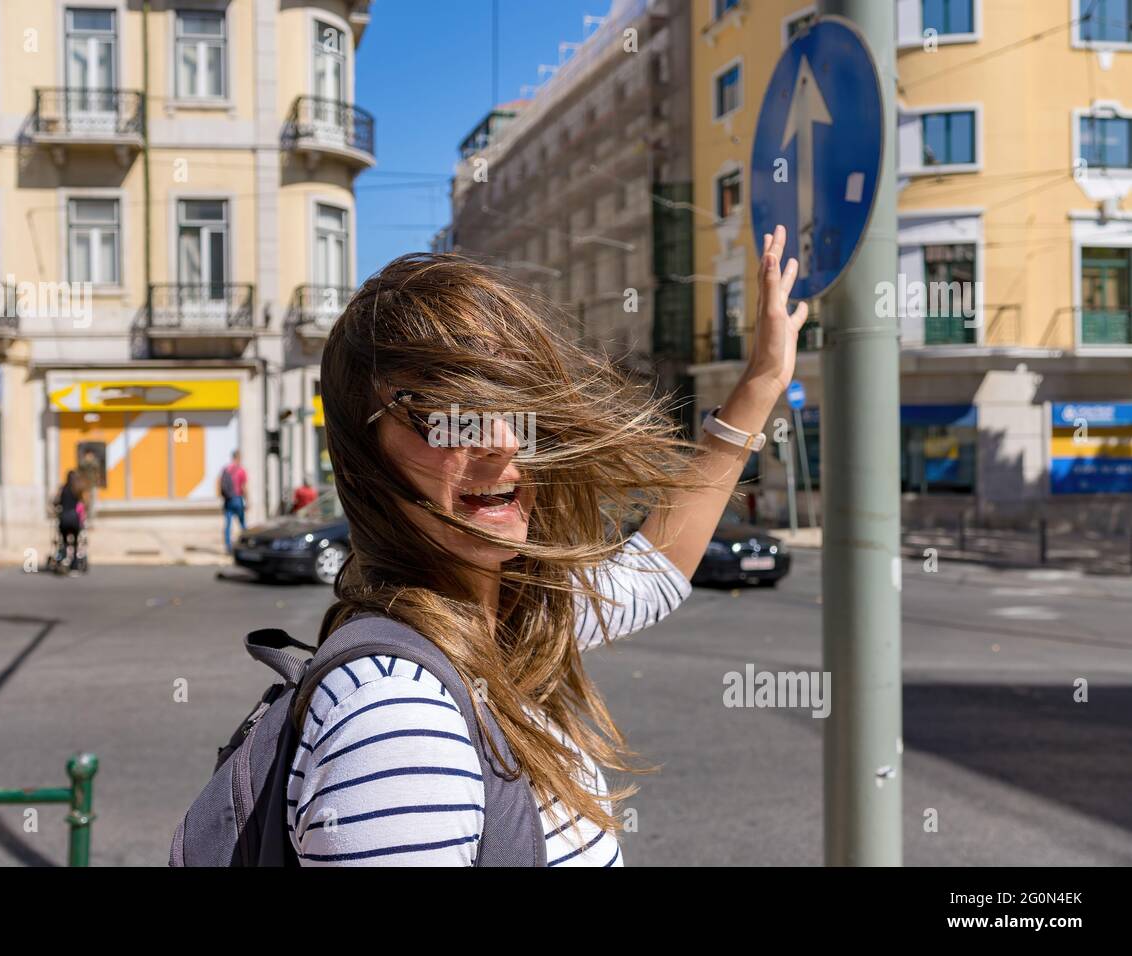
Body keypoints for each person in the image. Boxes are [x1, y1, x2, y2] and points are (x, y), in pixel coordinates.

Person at [284, 226, 806, 866]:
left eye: (514, 403)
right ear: (367, 456)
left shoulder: (505, 629)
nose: (502, 439)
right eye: (443, 409)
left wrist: (761, 382)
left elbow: (652, 574)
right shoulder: (395, 716)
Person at [54, 470, 86, 574]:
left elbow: (56, 502)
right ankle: (75, 565)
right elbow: (83, 503)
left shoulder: (63, 489)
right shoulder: (78, 489)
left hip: (64, 518)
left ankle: (62, 559)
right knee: (76, 542)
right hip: (74, 519)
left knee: (63, 541)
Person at [220, 450, 247, 553]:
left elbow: (220, 484)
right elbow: (244, 487)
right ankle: (246, 543)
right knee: (242, 523)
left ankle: (228, 547)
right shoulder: (241, 470)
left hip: (228, 500)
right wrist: (247, 500)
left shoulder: (226, 469)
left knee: (228, 524)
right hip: (237, 499)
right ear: (239, 458)